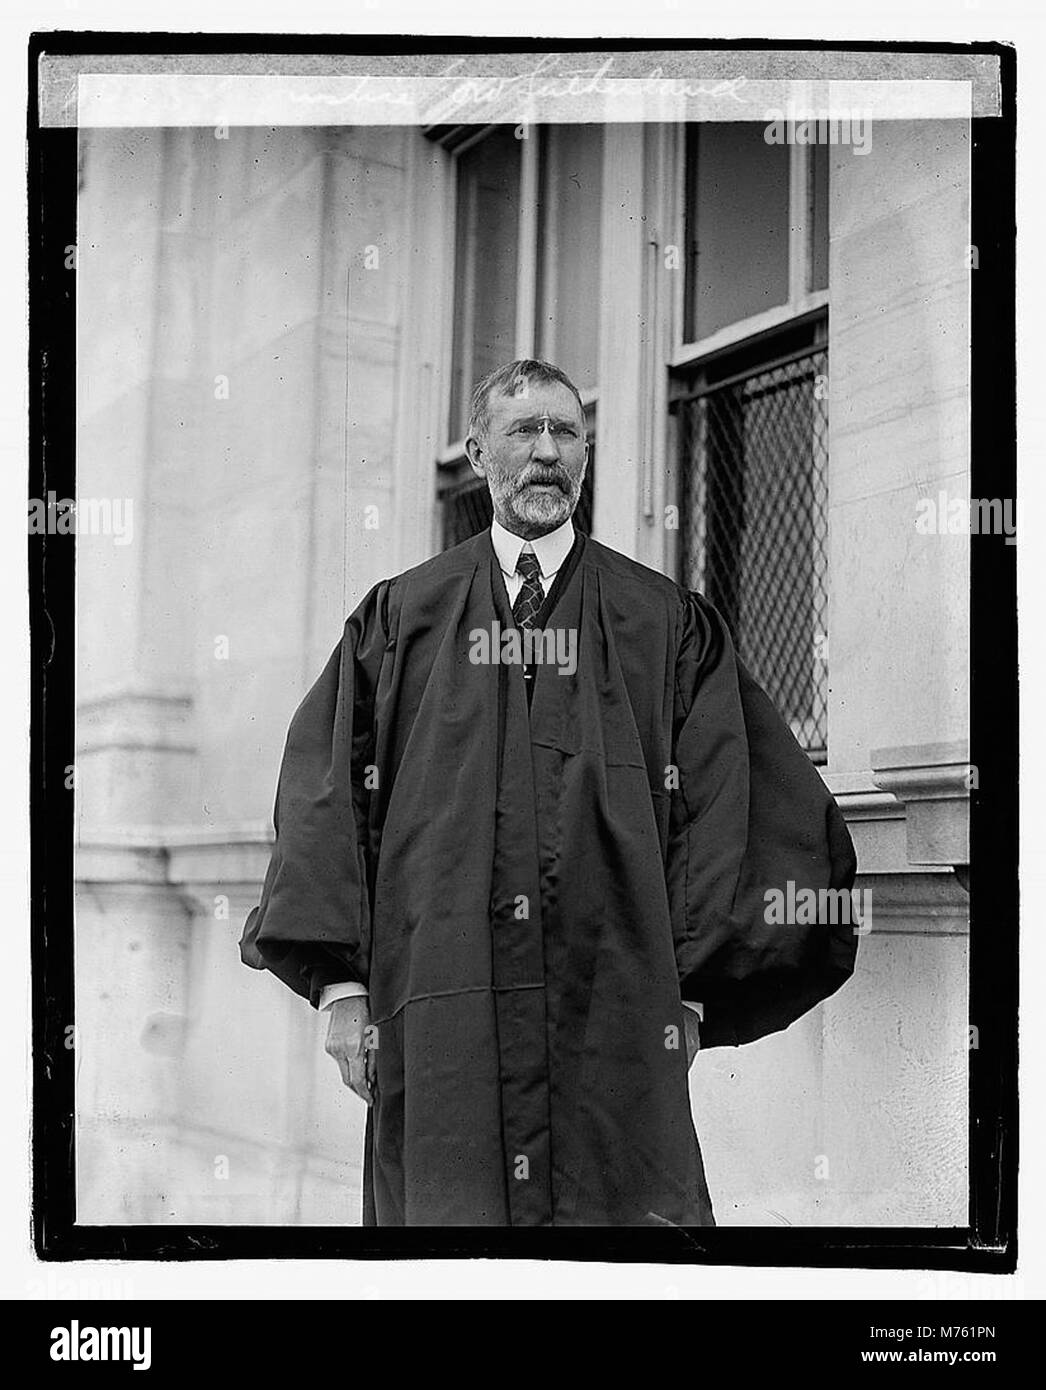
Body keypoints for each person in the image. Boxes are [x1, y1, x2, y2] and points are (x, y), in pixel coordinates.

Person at [240, 358, 858, 1227]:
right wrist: (343, 994)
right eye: (523, 431)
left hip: (613, 1006)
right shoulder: (402, 620)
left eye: (565, 432)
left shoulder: (663, 624)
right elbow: (326, 801)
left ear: (586, 453)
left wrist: (692, 986)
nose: (545, 452)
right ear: (478, 451)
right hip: (440, 1004)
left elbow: (730, 804)